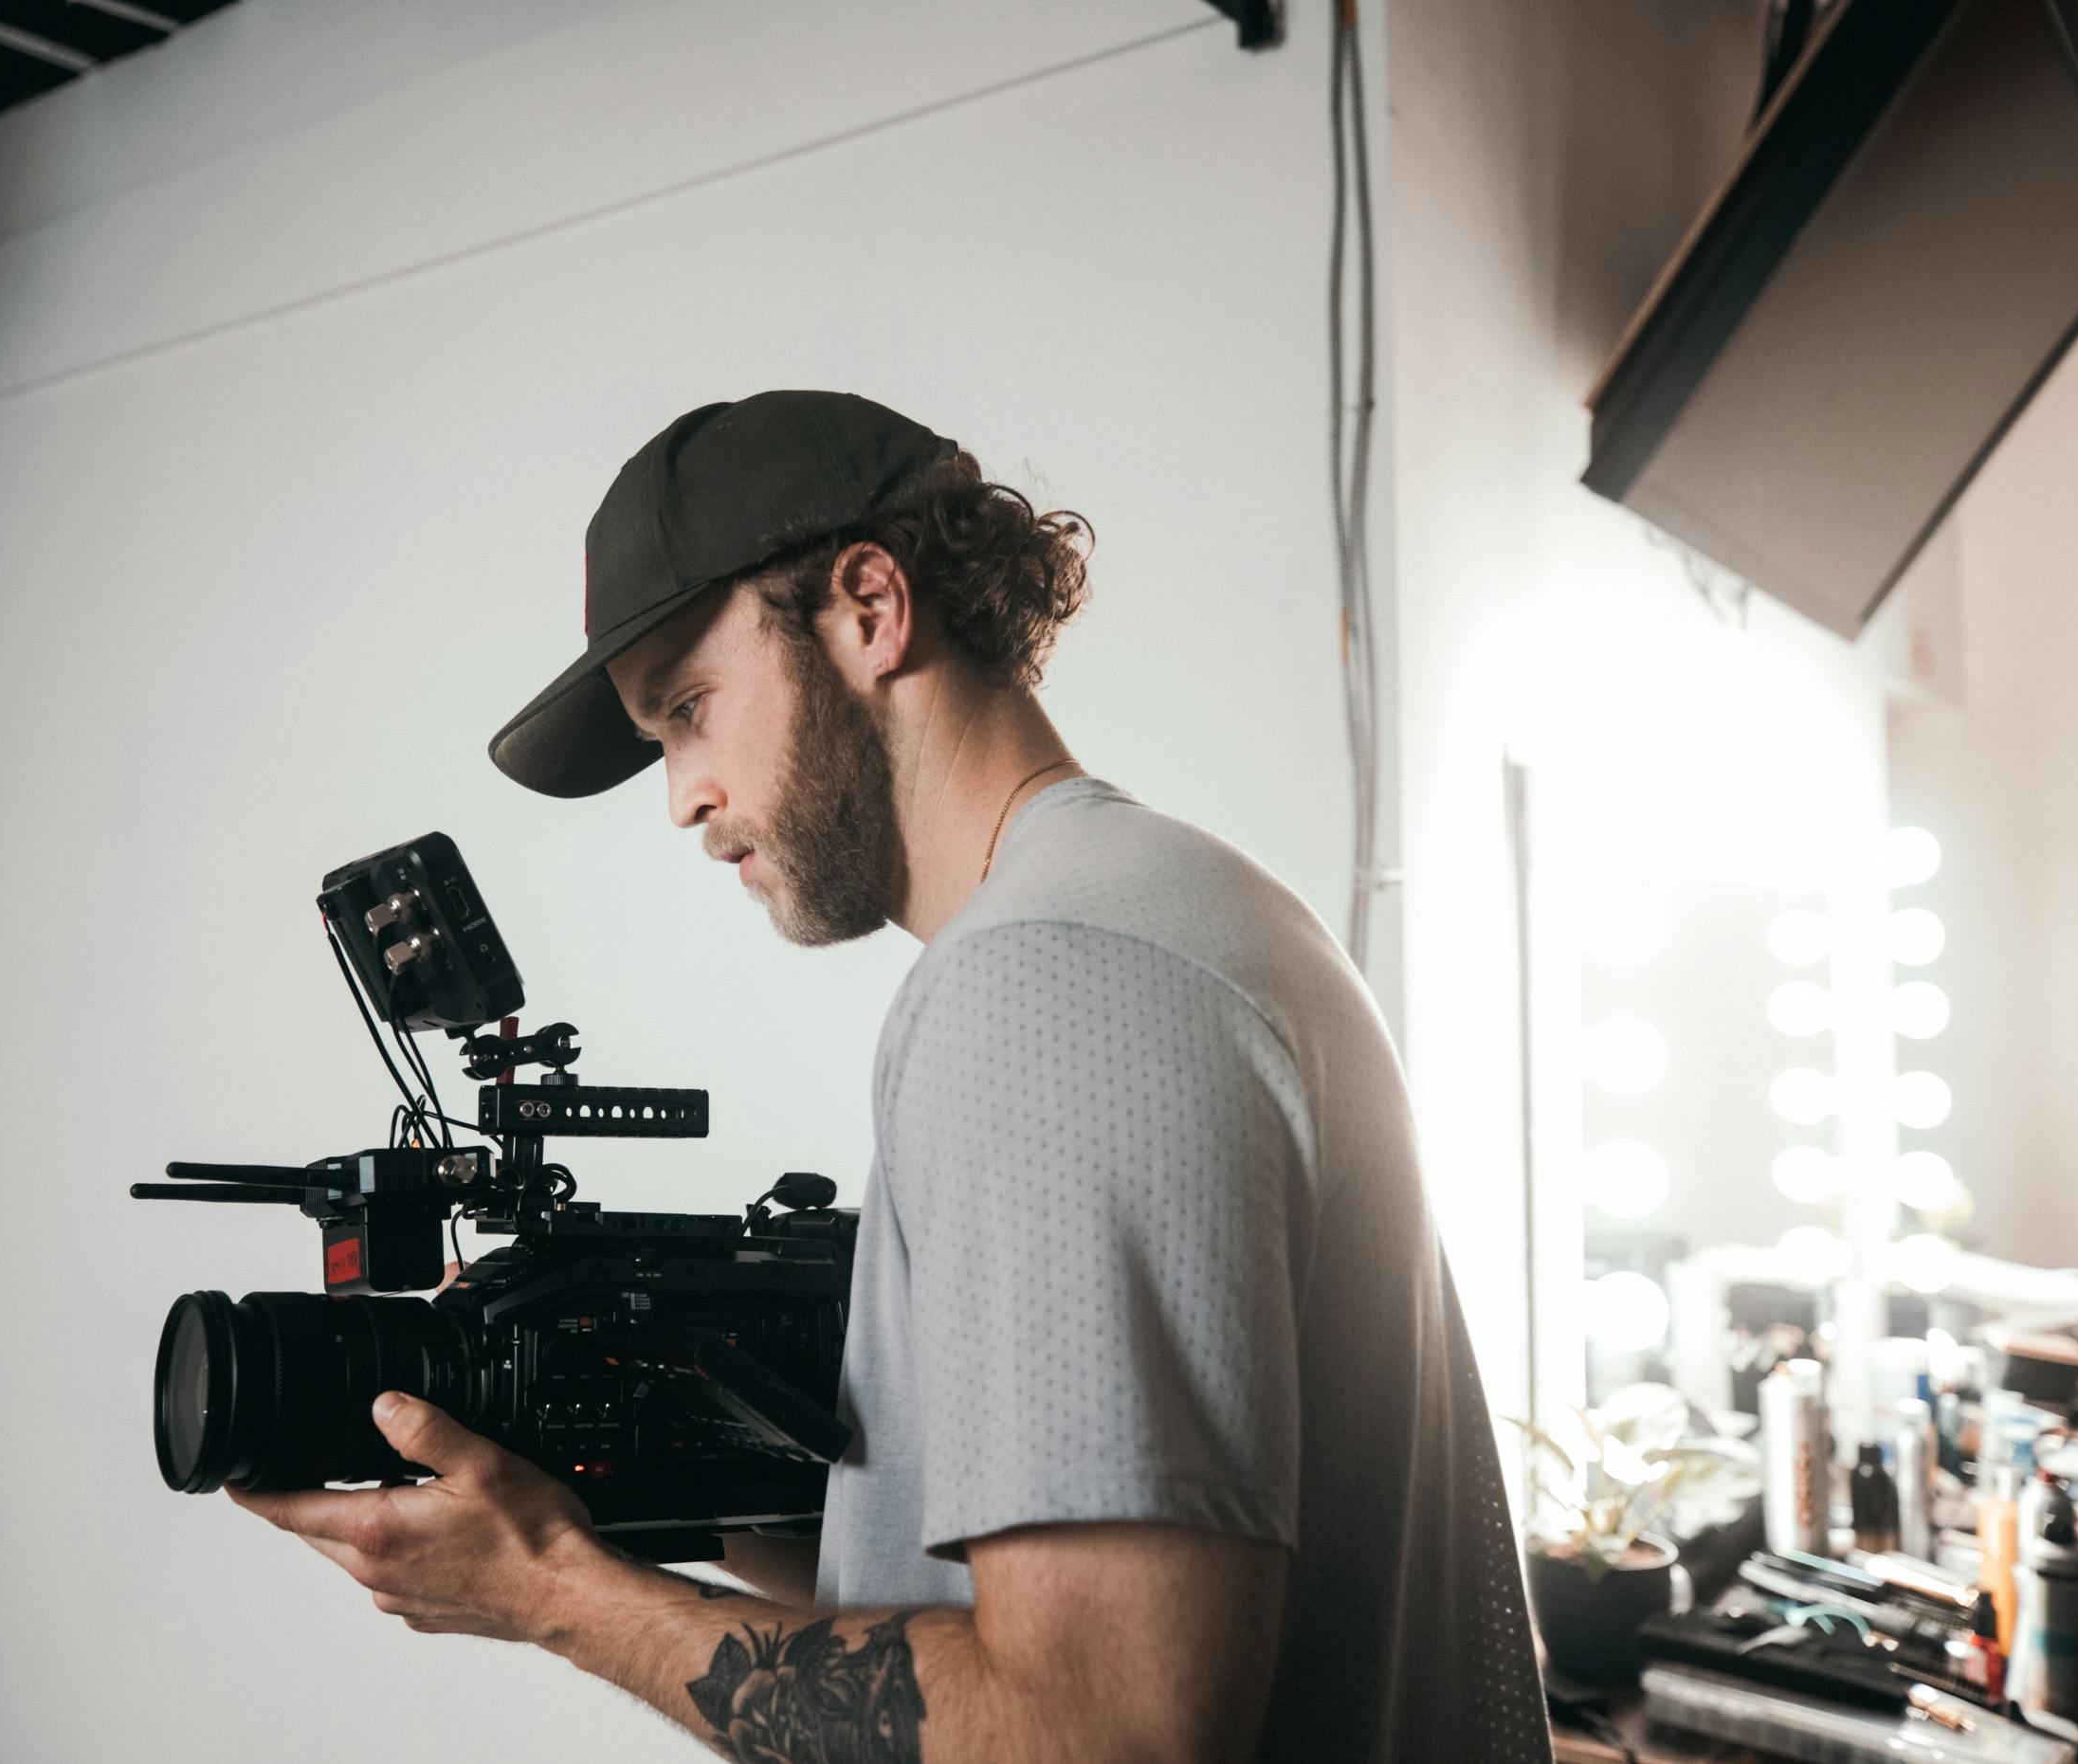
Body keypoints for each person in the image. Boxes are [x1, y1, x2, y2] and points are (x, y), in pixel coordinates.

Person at [229, 391, 1552, 1762]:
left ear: (868, 607)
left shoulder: (1044, 981)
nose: (680, 794)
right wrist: (623, 1478)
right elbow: (1005, 1603)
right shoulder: (1182, 908)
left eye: (689, 708)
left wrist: (557, 1595)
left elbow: (1104, 1727)